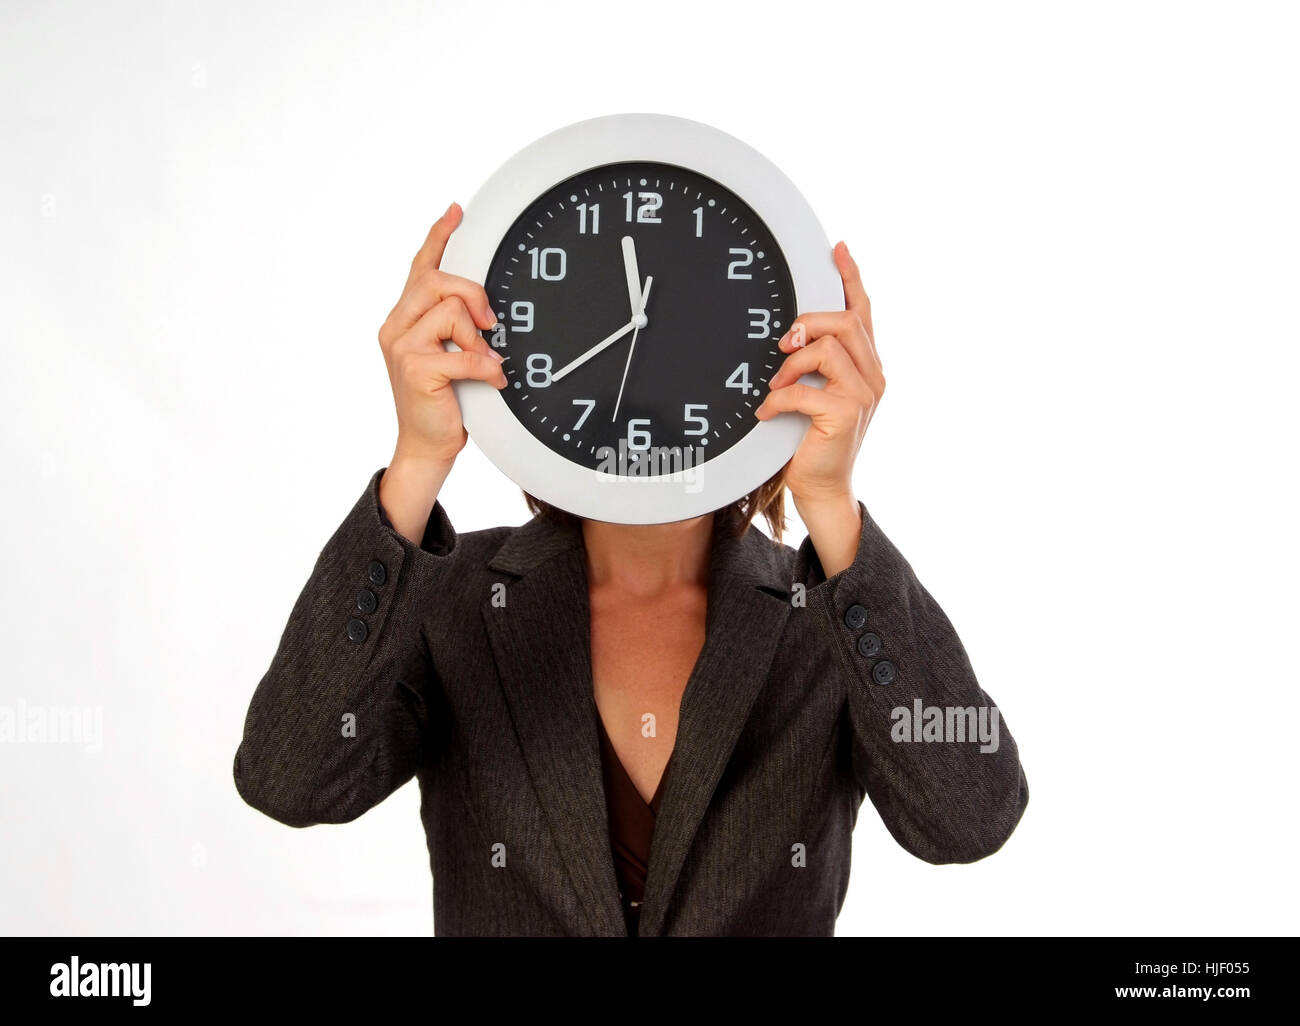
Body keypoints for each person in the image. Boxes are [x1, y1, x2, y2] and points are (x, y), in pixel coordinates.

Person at [233, 202, 1029, 936]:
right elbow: (289, 775)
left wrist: (828, 500)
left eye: (689, 353)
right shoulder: (460, 603)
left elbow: (968, 816)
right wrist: (417, 461)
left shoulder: (826, 617)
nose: (654, 381)